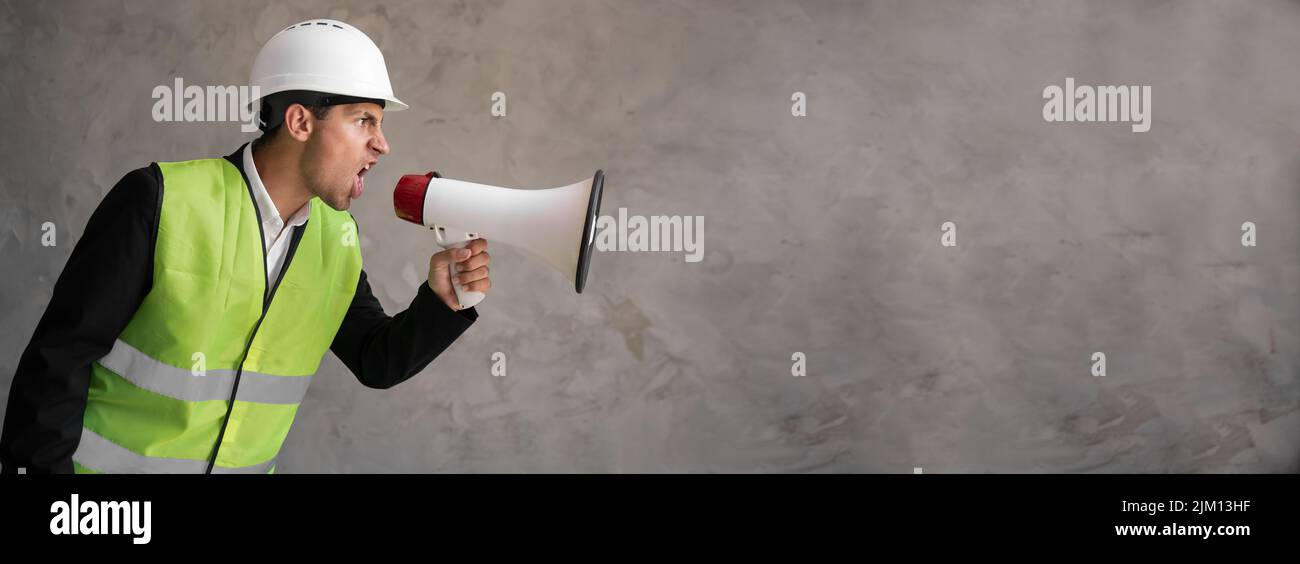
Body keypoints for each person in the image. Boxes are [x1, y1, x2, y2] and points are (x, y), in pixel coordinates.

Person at [0, 19, 490, 474]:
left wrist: (443, 301)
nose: (383, 145)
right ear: (300, 122)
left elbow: (375, 360)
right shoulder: (160, 200)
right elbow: (58, 363)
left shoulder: (335, 239)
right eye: (364, 120)